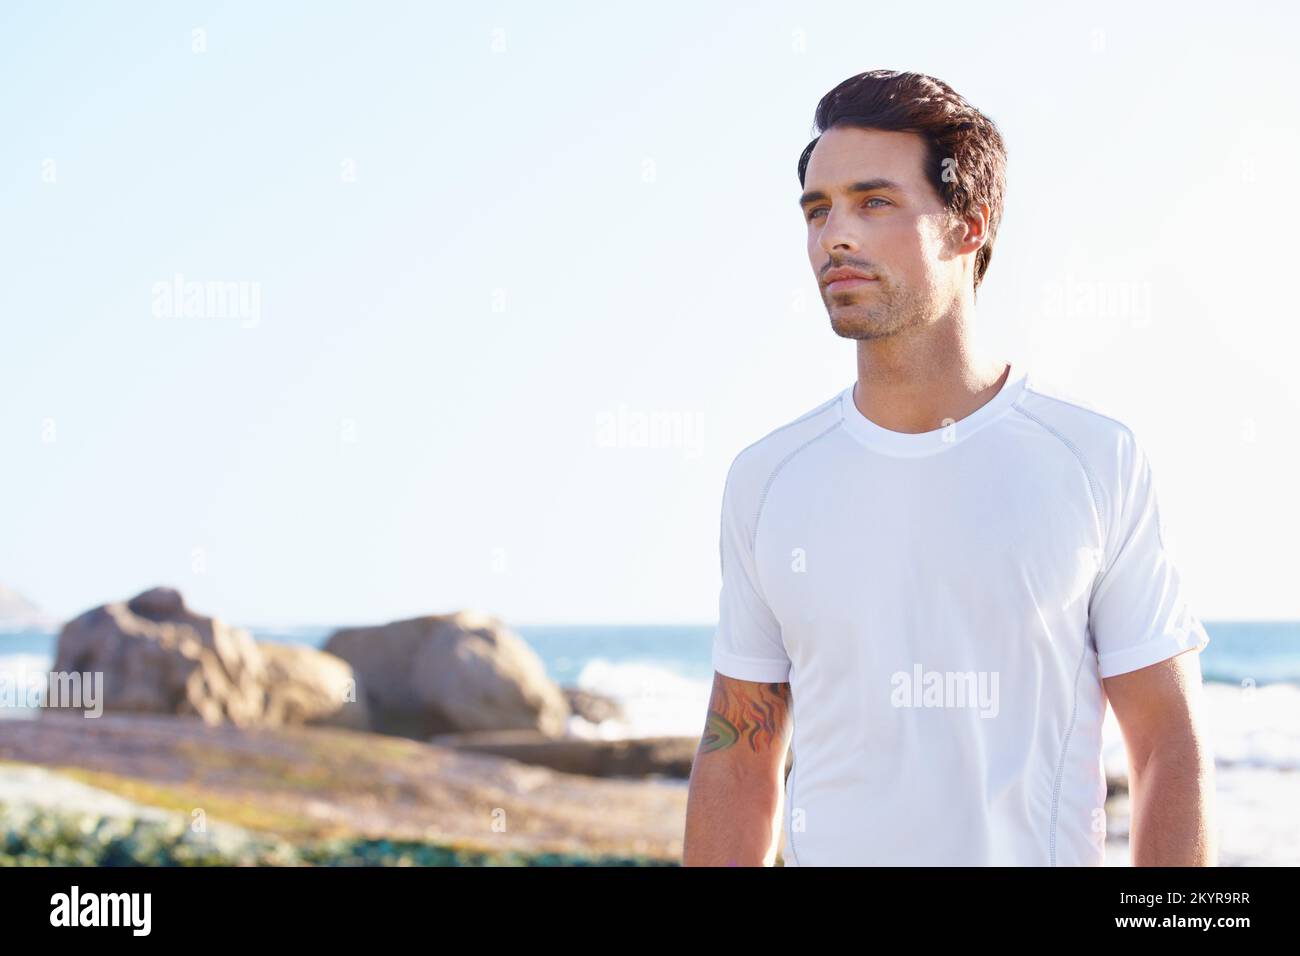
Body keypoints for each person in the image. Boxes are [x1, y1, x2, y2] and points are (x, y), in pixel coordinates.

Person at [682, 70, 1216, 867]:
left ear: (970, 225)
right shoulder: (768, 479)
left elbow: (1167, 747)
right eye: (817, 209)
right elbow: (739, 756)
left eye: (874, 202)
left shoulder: (1093, 462)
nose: (835, 236)